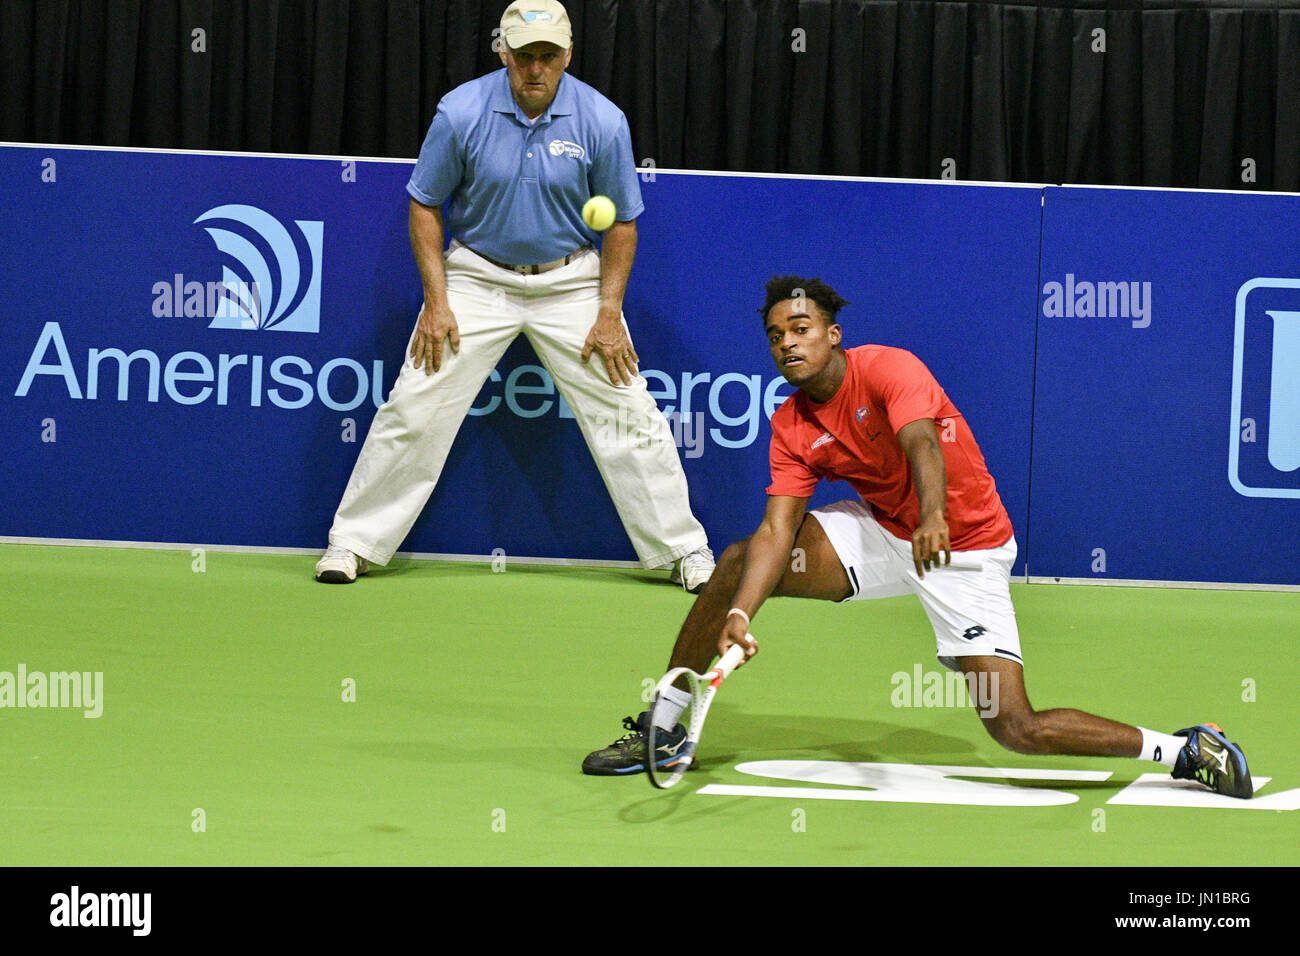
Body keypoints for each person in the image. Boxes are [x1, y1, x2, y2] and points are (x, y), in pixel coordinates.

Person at [581, 275, 1253, 800]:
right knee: (734, 564)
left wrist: (935, 516)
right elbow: (775, 531)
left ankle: (1184, 750)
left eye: (801, 327)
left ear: (834, 334)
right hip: (883, 532)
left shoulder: (889, 369)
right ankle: (665, 727)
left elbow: (922, 442)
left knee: (1014, 727)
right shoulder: (791, 424)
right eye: (776, 335)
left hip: (964, 548)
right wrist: (738, 614)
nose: (787, 342)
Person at [314, 0, 714, 591]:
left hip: (571, 280)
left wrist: (609, 312)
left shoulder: (603, 121)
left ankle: (684, 551)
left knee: (630, 412)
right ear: (502, 51)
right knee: (415, 402)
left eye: (548, 55)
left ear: (568, 54)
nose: (535, 68)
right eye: (524, 55)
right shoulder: (461, 112)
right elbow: (425, 204)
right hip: (476, 277)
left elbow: (622, 223)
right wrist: (438, 299)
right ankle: (353, 544)